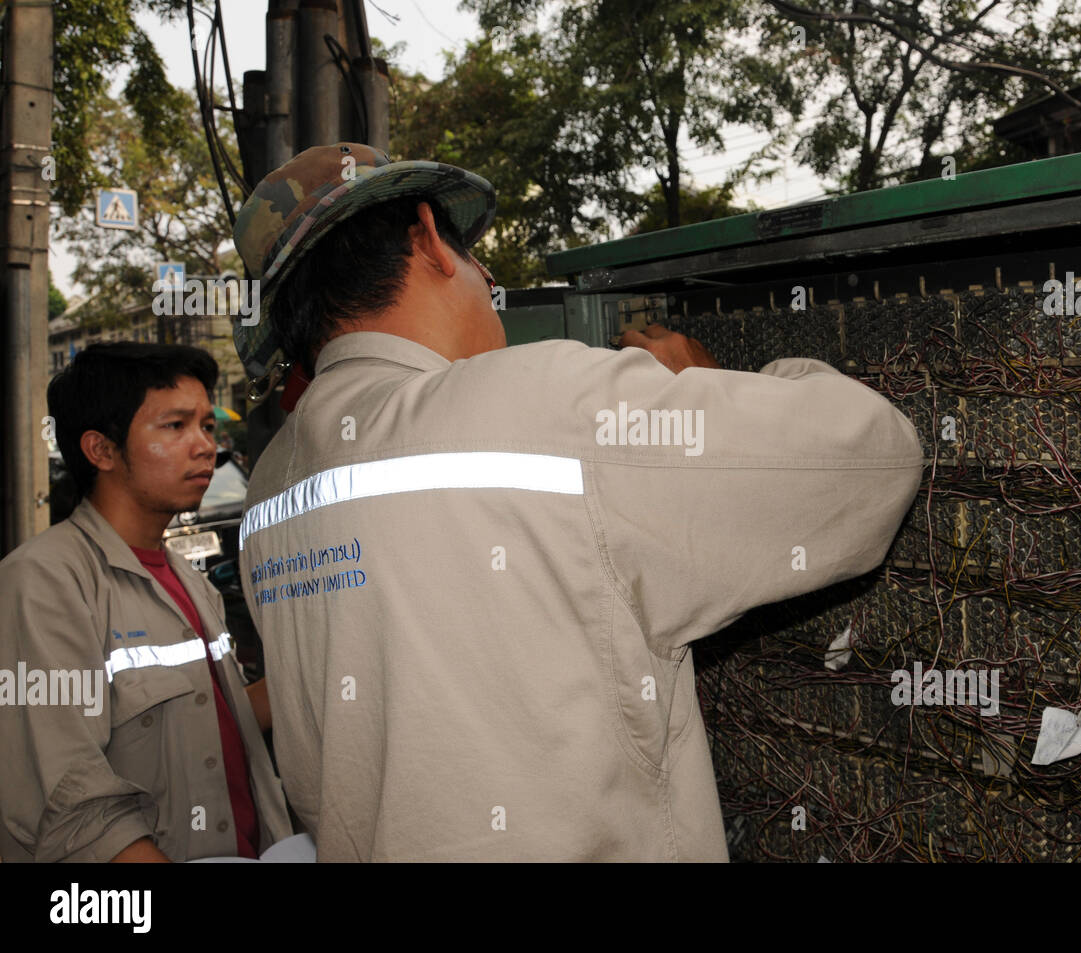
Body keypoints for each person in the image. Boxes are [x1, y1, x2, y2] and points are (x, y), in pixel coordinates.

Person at [232, 142, 923, 861]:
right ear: (430, 239)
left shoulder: (272, 484)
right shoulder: (545, 406)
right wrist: (710, 380)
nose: (487, 275)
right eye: (474, 254)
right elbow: (876, 457)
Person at [0, 344, 293, 862]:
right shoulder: (43, 582)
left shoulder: (188, 581)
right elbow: (73, 799)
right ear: (102, 450)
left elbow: (215, 718)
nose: (206, 445)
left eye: (206, 424)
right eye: (175, 426)